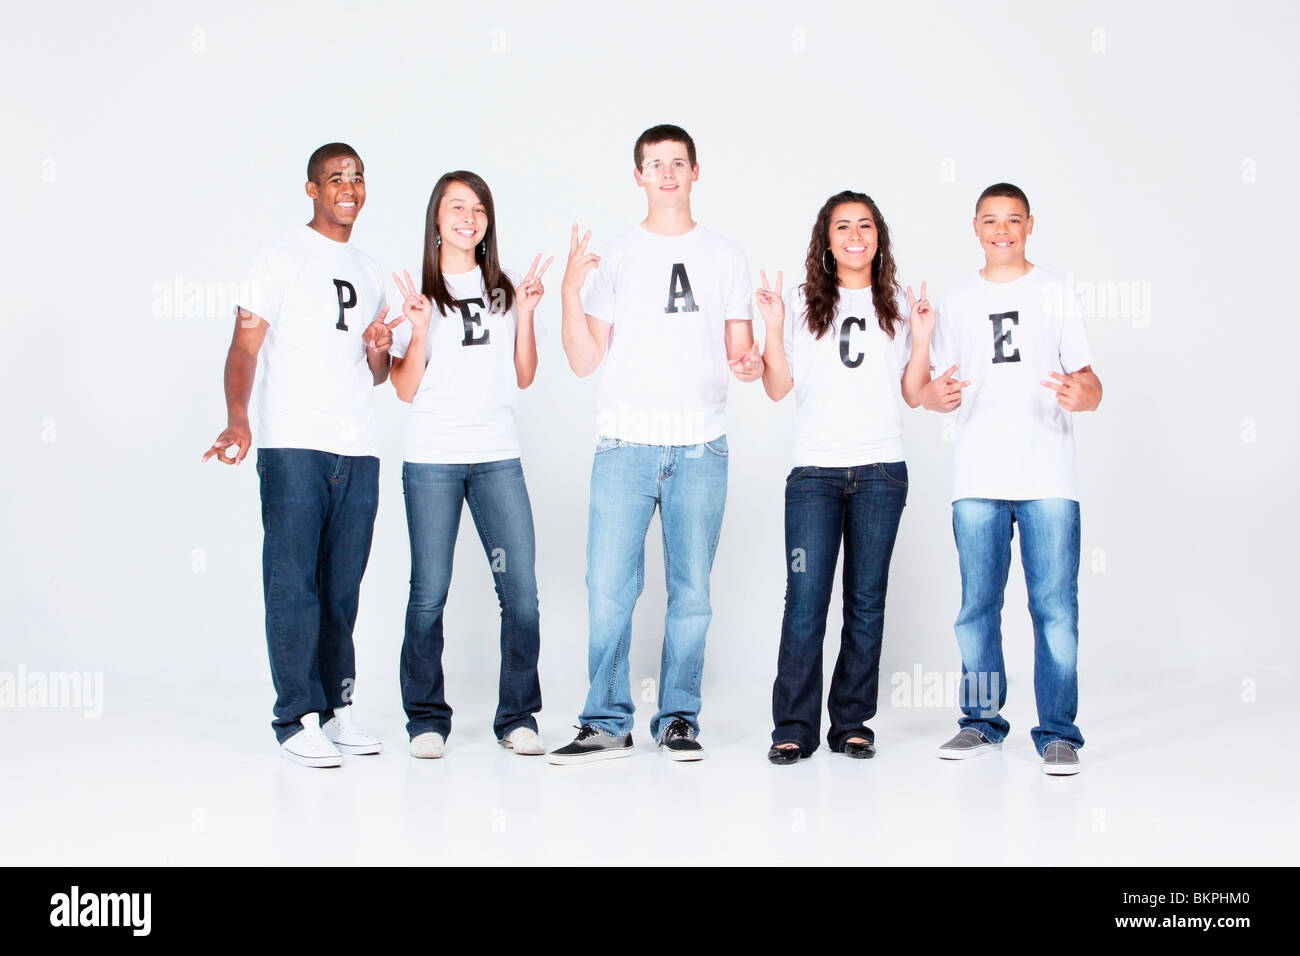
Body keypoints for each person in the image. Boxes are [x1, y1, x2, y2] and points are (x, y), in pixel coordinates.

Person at [547, 124, 763, 765]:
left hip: (701, 447)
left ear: (697, 171)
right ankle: (606, 722)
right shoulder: (614, 257)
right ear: (637, 176)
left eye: (677, 163)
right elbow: (585, 360)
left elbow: (740, 352)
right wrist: (567, 292)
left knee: (691, 592)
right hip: (625, 448)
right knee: (608, 586)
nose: (666, 173)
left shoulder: (726, 257)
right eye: (654, 164)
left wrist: (750, 364)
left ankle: (678, 720)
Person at [202, 143, 400, 768]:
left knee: (342, 588)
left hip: (357, 449)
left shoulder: (371, 271)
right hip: (293, 444)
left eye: (357, 177)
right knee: (294, 585)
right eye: (335, 178)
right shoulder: (278, 258)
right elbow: (243, 348)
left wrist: (379, 346)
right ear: (312, 189)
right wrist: (239, 419)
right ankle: (294, 718)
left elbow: (375, 374)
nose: (348, 187)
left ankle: (337, 710)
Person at [903, 182, 1102, 775]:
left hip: (1048, 478)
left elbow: (1092, 386)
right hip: (979, 477)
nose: (1002, 230)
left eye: (1013, 220)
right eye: (991, 220)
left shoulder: (1056, 292)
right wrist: (933, 390)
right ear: (975, 227)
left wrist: (1077, 392)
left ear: (1030, 225)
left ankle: (1059, 732)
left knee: (1054, 608)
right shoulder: (958, 299)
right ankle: (982, 723)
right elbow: (923, 392)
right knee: (978, 607)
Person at [758, 190, 937, 764]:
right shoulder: (800, 300)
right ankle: (793, 726)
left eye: (865, 226)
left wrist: (926, 336)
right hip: (815, 472)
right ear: (826, 239)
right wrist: (771, 327)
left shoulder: (899, 304)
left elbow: (913, 392)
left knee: (866, 601)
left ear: (878, 236)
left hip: (881, 470)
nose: (855, 235)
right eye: (843, 227)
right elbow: (776, 387)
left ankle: (852, 722)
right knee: (805, 598)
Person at [387, 170, 552, 760]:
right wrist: (419, 330)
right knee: (429, 591)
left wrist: (528, 311)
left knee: (523, 593)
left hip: (495, 455)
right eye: (457, 207)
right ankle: (426, 718)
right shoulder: (417, 295)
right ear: (436, 218)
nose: (468, 217)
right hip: (433, 455)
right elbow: (405, 390)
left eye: (478, 208)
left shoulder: (502, 288)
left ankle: (517, 716)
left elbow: (524, 375)